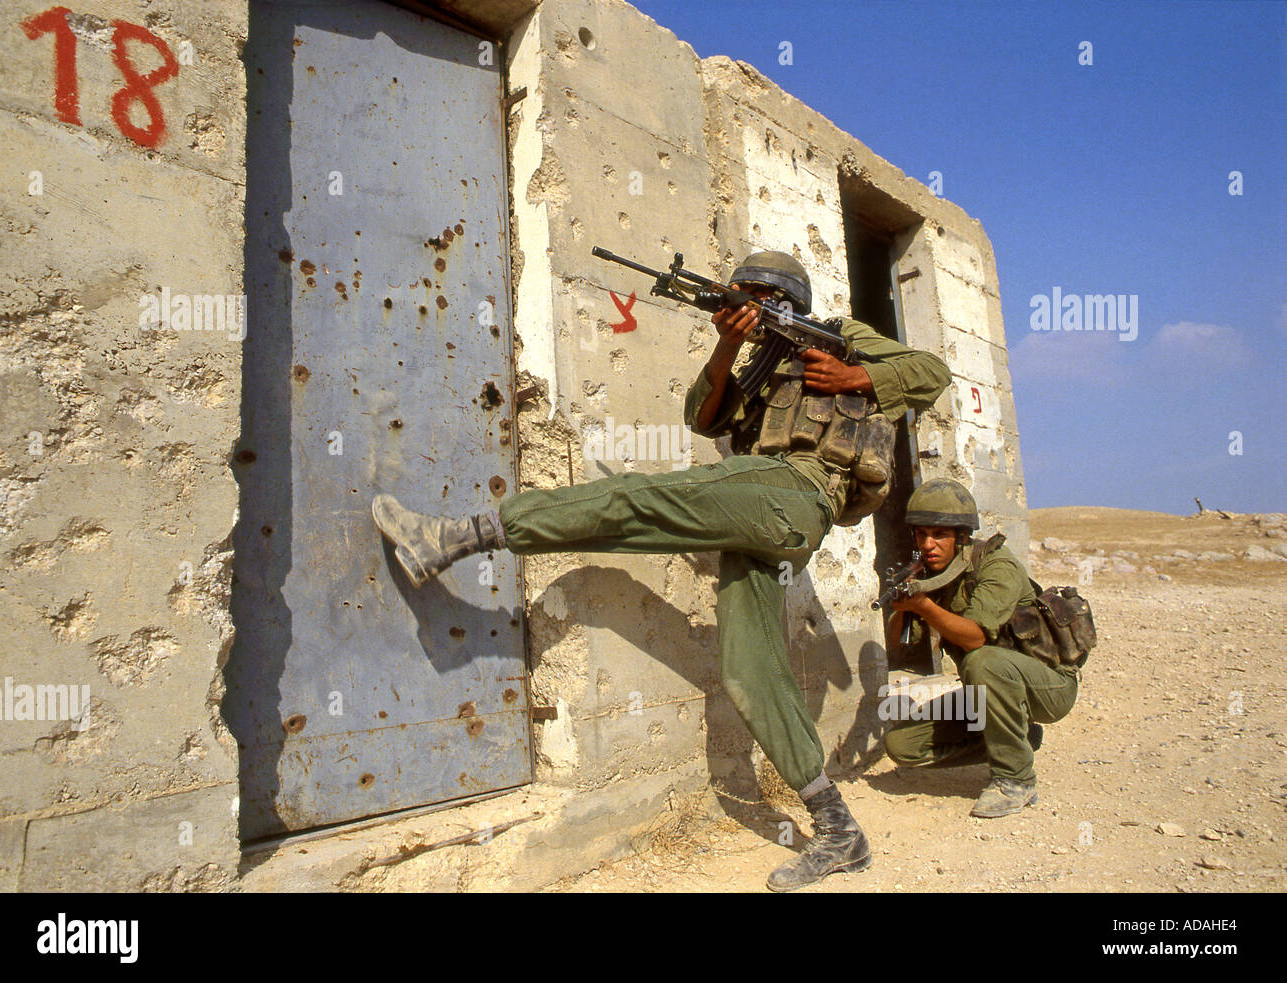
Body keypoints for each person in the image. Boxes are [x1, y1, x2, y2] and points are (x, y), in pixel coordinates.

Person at [372, 252, 952, 890]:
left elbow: (933, 372)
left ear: (782, 297)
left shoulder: (841, 334)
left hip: (799, 490)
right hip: (761, 514)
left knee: (631, 498)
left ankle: (456, 536)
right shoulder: (759, 363)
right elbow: (702, 419)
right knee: (748, 669)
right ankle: (839, 829)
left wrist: (853, 378)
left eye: (749, 296)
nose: (738, 304)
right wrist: (725, 350)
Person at [883, 479, 1079, 817]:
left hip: (1049, 685)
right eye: (921, 535)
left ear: (961, 536)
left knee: (981, 660)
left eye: (939, 535)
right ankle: (1019, 737)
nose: (928, 544)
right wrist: (903, 606)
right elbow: (898, 647)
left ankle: (1015, 780)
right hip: (990, 693)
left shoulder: (995, 564)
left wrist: (925, 607)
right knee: (903, 746)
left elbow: (974, 638)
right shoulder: (932, 575)